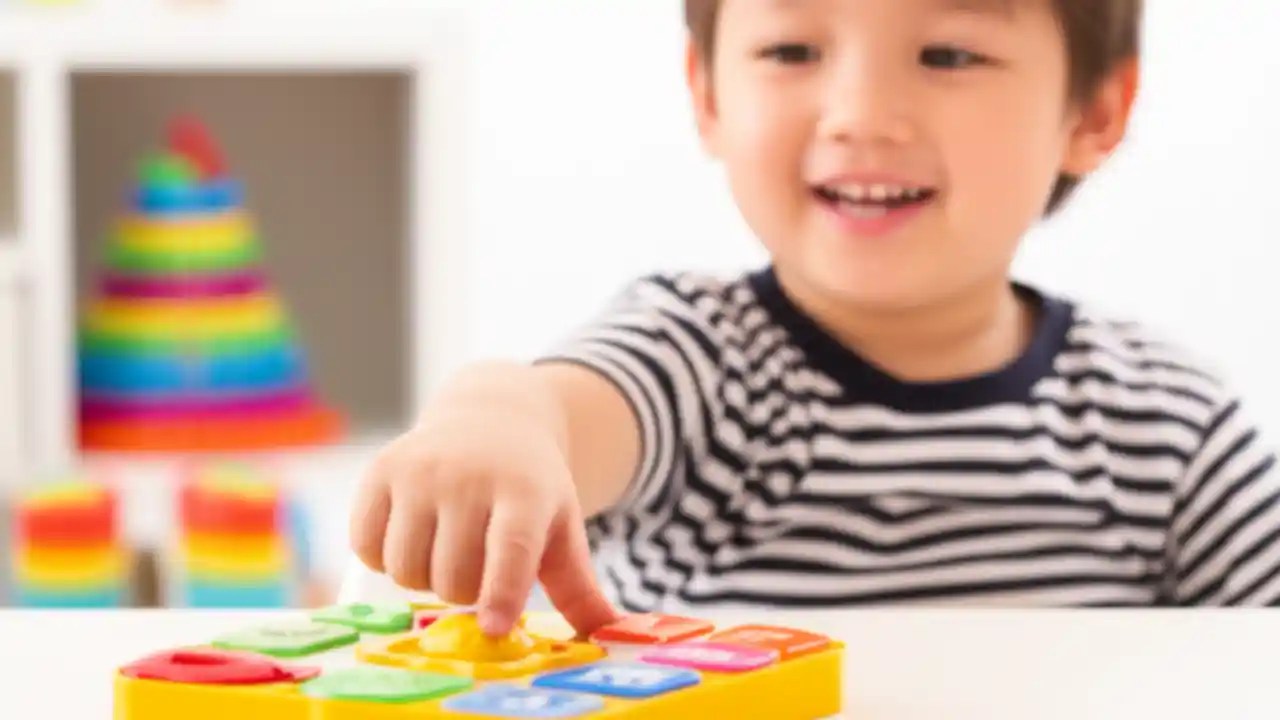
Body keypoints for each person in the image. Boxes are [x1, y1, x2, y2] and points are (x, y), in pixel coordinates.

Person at [349, 0, 1280, 637]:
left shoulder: (1167, 422)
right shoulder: (703, 361)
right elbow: (553, 412)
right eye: (794, 50)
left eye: (949, 54)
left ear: (1098, 109)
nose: (862, 115)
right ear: (709, 92)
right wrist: (491, 422)